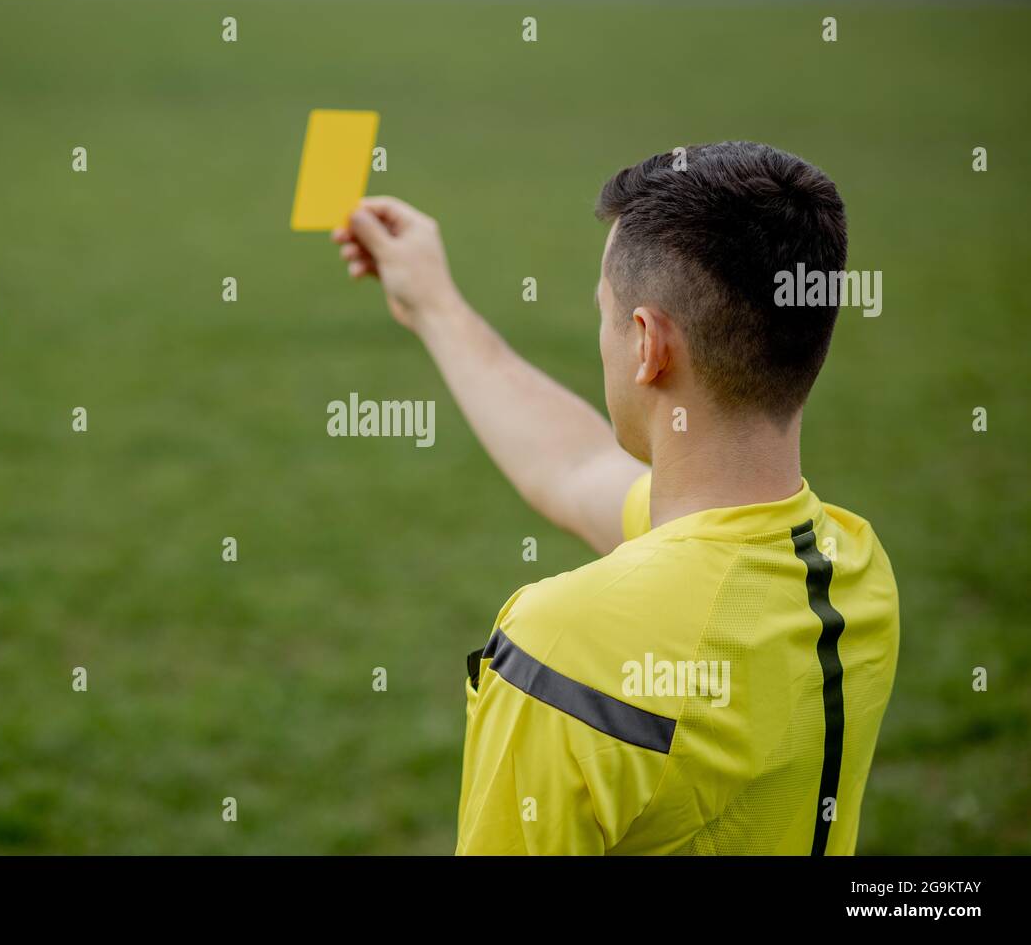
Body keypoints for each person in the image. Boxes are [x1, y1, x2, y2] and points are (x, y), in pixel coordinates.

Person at [331, 142, 899, 855]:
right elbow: (575, 465)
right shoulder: (855, 570)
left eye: (605, 313)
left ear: (647, 345)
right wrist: (434, 306)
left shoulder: (564, 650)